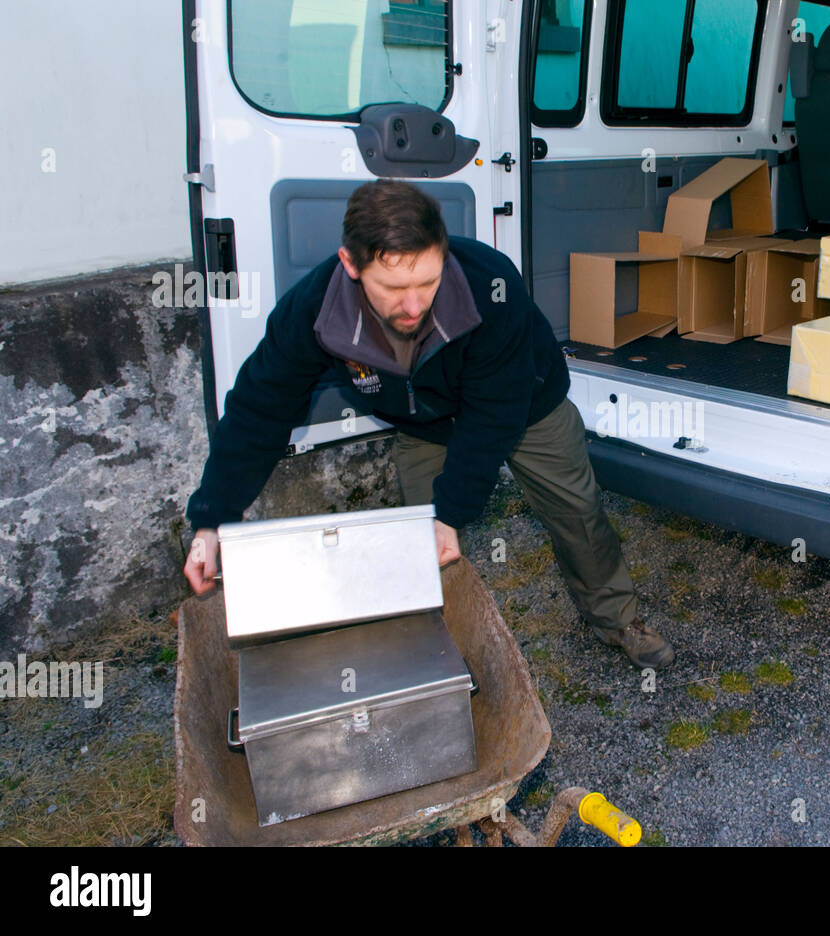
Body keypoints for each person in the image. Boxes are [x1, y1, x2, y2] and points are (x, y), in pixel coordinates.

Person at [182, 180, 674, 669]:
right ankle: (446, 652)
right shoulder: (314, 312)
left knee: (578, 515)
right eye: (394, 289)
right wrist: (211, 518)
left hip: (527, 406)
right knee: (424, 545)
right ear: (350, 265)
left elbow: (493, 415)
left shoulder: (490, 286)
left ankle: (616, 618)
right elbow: (257, 410)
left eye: (428, 283)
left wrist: (453, 509)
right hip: (424, 424)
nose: (415, 306)